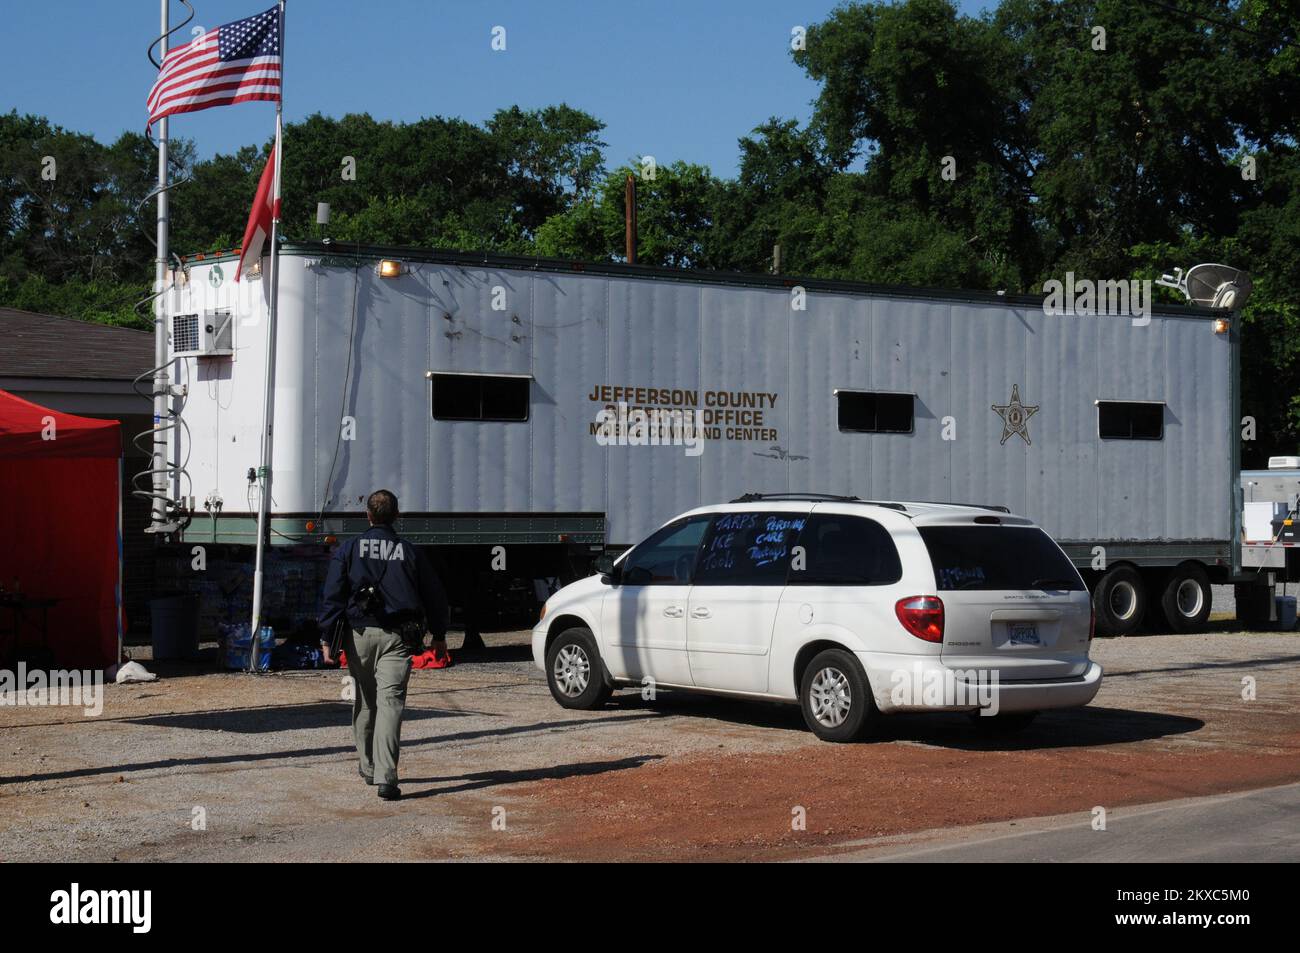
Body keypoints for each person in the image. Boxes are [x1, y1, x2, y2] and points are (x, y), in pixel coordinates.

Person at [318, 489, 448, 800]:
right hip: (397, 639)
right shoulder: (410, 552)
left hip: (359, 637)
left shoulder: (349, 549)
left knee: (365, 701)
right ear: (396, 516)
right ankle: (387, 777)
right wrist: (439, 635)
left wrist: (326, 637)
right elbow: (434, 596)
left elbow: (332, 594)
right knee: (391, 705)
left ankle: (367, 765)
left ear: (368, 515)